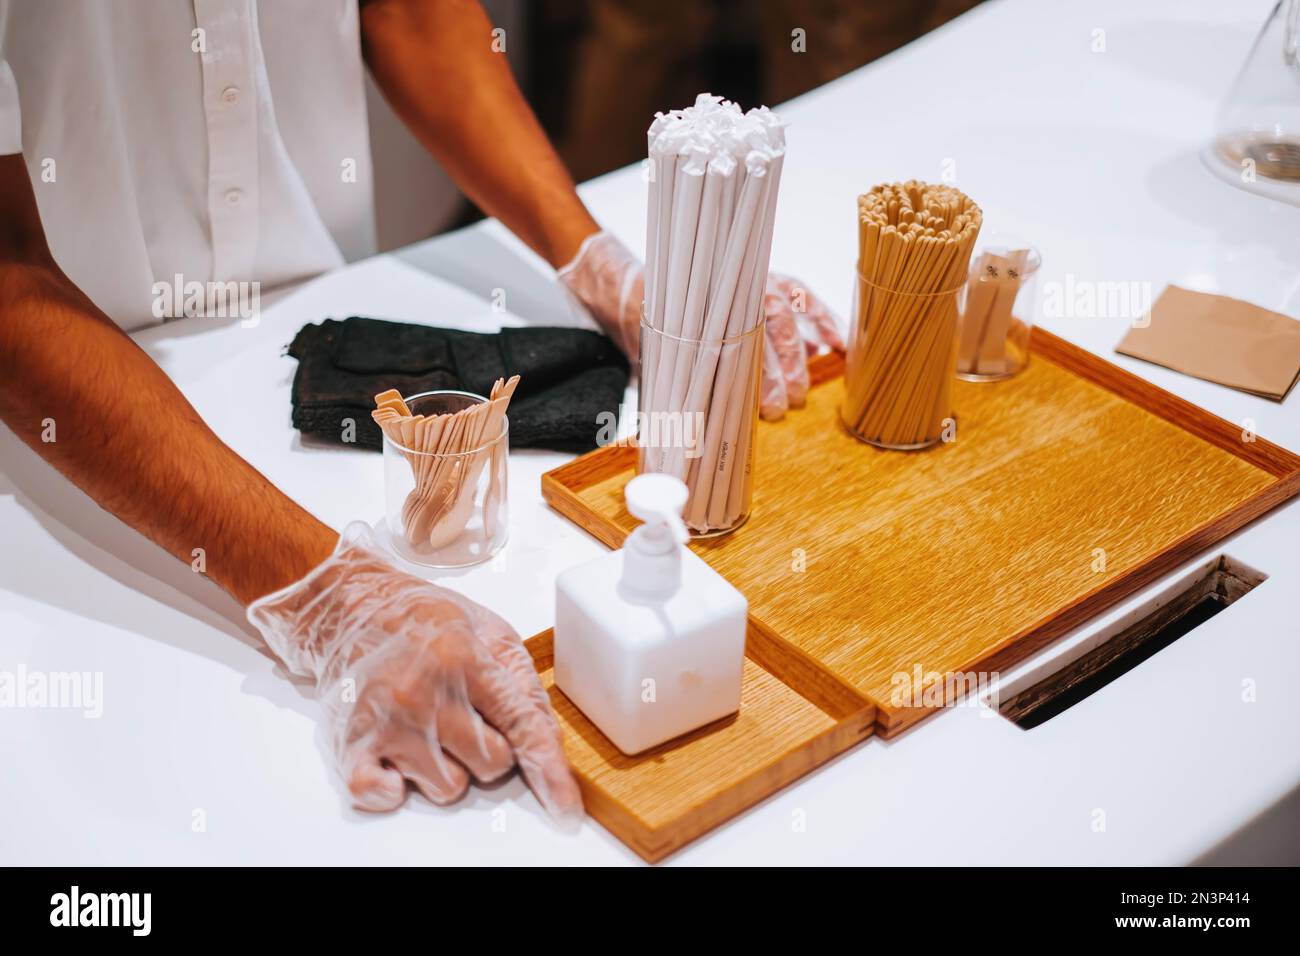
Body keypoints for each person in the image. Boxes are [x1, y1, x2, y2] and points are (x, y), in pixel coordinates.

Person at [0, 0, 840, 818]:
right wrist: (332, 601)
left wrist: (595, 261)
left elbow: (414, 11)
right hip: (83, 424)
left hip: (329, 299)